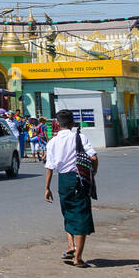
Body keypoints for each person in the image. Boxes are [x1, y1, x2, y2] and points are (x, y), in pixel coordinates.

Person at [44, 109, 98, 268]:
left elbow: (49, 166)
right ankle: (78, 258)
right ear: (73, 123)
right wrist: (93, 172)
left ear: (57, 123)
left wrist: (47, 188)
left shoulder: (52, 142)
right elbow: (94, 157)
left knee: (67, 211)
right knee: (81, 215)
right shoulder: (80, 137)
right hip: (78, 178)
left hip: (63, 180)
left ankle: (71, 246)